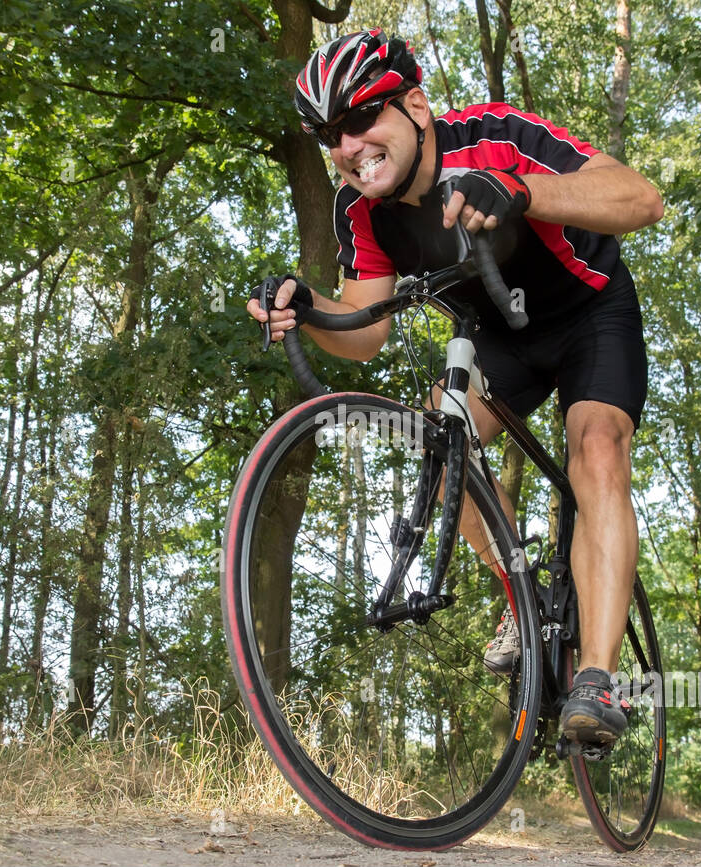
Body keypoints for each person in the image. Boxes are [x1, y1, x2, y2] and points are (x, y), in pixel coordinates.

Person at [245, 29, 664, 748]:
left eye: (359, 120)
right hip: (501, 337)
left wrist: (523, 191)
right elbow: (365, 327)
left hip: (589, 313)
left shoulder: (495, 137)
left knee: (595, 449)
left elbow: (641, 198)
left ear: (415, 104)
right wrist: (307, 306)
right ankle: (524, 601)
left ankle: (598, 678)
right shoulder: (362, 209)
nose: (347, 147)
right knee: (437, 446)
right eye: (328, 136)